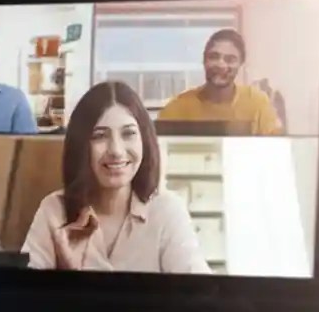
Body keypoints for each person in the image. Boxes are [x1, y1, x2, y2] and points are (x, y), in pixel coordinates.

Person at [22, 82, 211, 274]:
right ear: (81, 146)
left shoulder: (167, 210)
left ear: (144, 140)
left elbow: (200, 294)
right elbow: (21, 298)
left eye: (128, 133)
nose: (116, 151)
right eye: (99, 136)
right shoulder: (54, 211)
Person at [158, 29, 283, 135]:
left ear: (241, 64)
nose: (221, 65)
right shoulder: (177, 107)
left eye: (230, 59)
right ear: (204, 60)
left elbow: (277, 149)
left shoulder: (258, 103)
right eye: (214, 57)